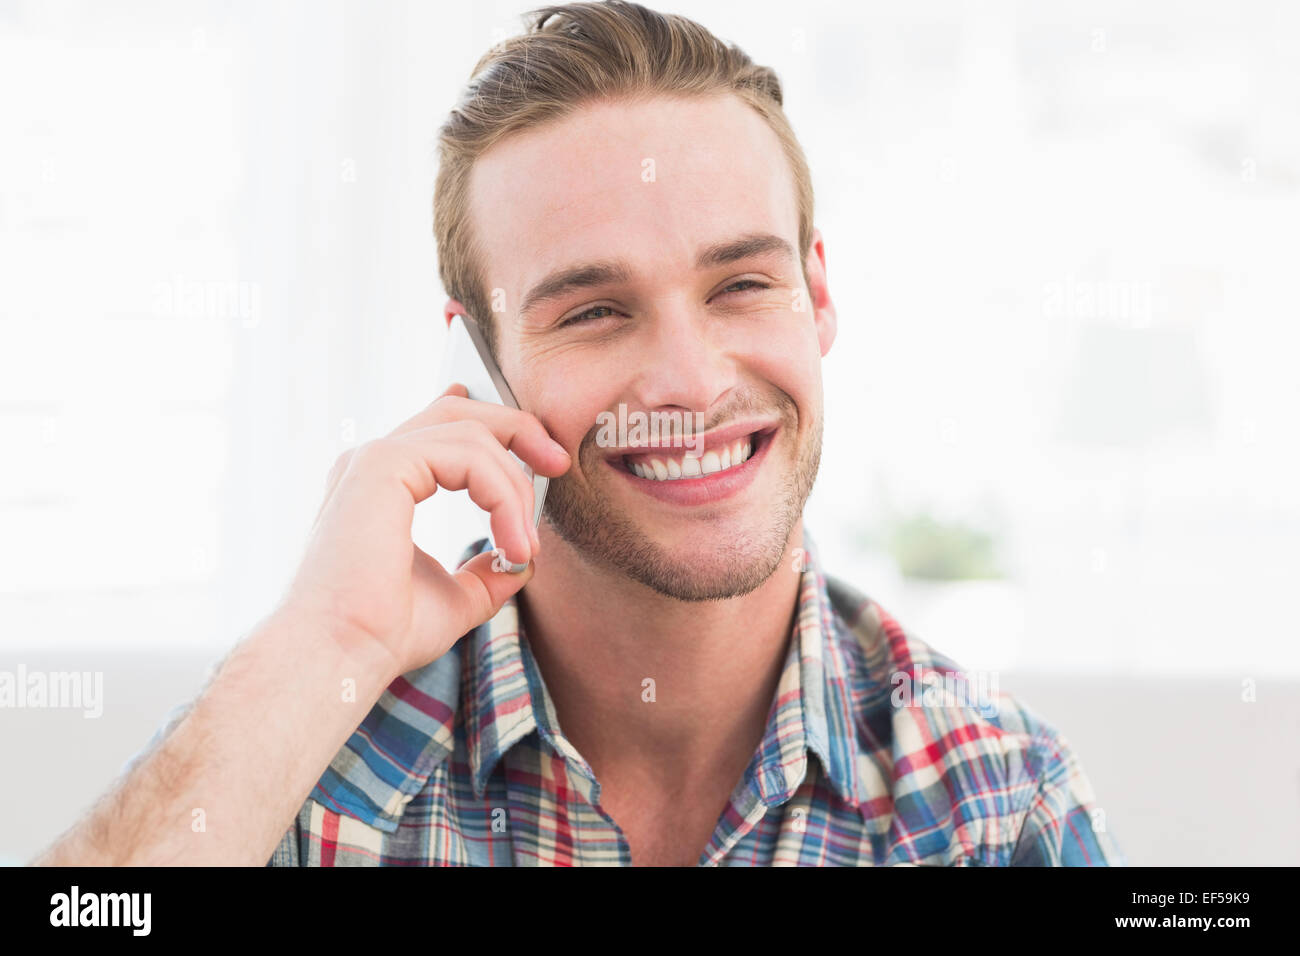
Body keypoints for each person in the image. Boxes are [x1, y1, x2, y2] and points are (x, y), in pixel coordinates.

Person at [33, 0, 1124, 867]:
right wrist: (322, 650)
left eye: (742, 282)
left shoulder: (992, 799)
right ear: (483, 359)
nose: (690, 381)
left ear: (816, 292)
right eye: (594, 310)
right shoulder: (301, 754)